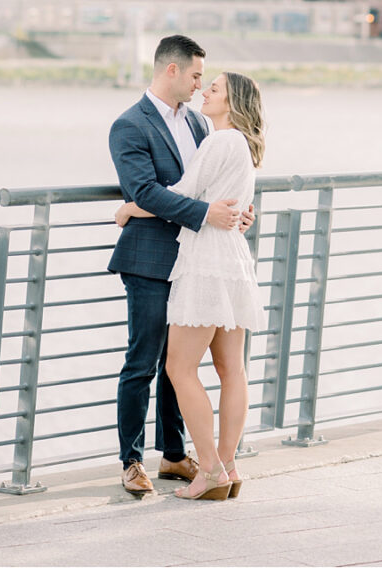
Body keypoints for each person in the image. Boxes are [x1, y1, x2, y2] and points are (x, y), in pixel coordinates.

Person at [106, 35, 251, 498]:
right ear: (172, 70)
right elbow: (144, 191)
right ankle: (131, 460)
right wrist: (207, 214)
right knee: (143, 362)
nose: (199, 85)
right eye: (195, 76)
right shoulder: (129, 125)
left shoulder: (201, 123)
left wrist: (239, 212)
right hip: (150, 259)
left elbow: (211, 186)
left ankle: (174, 454)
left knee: (181, 366)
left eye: (205, 80)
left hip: (198, 260)